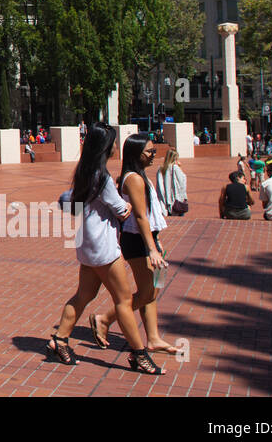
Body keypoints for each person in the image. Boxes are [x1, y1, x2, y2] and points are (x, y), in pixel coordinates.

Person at [44, 123, 163, 374]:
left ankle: (60, 340)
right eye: (113, 144)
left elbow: (71, 201)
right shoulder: (103, 177)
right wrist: (125, 207)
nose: (116, 148)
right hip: (104, 247)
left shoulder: (84, 172)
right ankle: (138, 354)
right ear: (105, 148)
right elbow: (122, 210)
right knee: (124, 300)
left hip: (87, 243)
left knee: (83, 296)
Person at [91, 134, 183, 358]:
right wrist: (152, 249)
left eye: (153, 151)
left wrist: (156, 242)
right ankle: (105, 318)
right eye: (149, 152)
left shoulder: (140, 176)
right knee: (148, 291)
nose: (153, 156)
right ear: (135, 154)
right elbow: (141, 216)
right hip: (138, 240)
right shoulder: (133, 178)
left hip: (149, 238)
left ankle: (153, 337)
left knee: (154, 288)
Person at [156, 147, 188, 216]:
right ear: (175, 158)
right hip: (176, 200)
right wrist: (180, 167)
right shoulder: (175, 168)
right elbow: (182, 182)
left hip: (165, 200)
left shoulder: (161, 169)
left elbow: (159, 186)